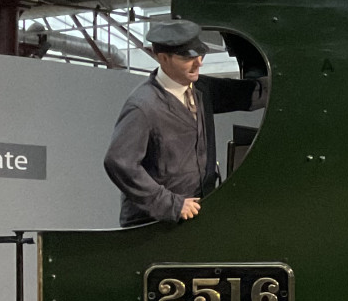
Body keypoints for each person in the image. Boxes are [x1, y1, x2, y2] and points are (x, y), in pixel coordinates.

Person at [102, 18, 267, 228]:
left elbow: (250, 95)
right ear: (162, 57)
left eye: (200, 54)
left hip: (195, 218)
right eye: (188, 58)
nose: (199, 63)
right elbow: (119, 162)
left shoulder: (201, 90)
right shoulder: (143, 106)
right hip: (155, 225)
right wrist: (169, 204)